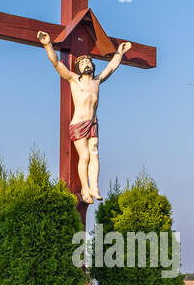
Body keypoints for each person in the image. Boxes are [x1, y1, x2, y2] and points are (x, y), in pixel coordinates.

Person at [36, 30, 131, 204]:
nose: (86, 64)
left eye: (89, 62)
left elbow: (111, 67)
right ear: (78, 68)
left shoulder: (97, 81)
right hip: (78, 122)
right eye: (83, 62)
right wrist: (47, 44)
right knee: (85, 156)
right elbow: (56, 63)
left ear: (93, 67)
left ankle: (94, 186)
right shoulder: (74, 79)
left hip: (93, 122)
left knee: (95, 154)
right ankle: (85, 190)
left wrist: (120, 52)